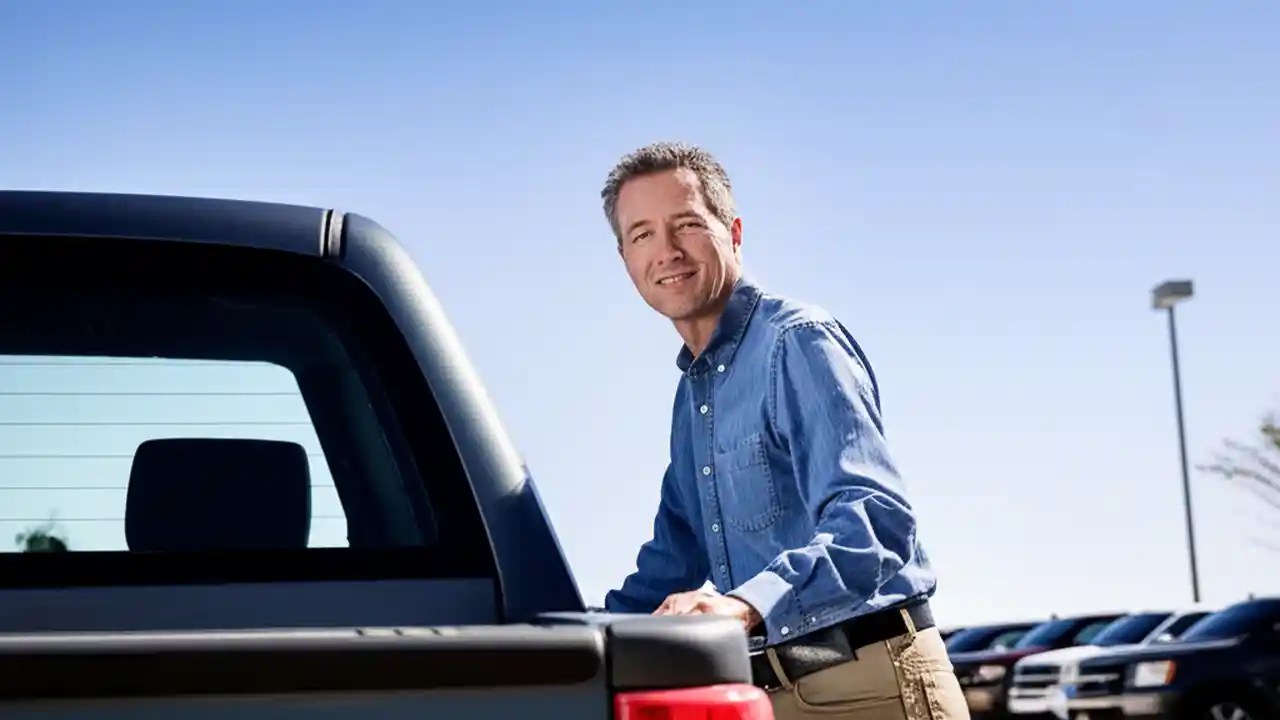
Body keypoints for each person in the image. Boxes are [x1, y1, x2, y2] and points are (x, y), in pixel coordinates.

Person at [599, 141, 969, 720]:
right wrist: (559, 639)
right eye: (642, 234)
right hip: (766, 696)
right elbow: (669, 566)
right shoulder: (693, 397)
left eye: (687, 224)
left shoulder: (796, 342)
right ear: (624, 258)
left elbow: (877, 523)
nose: (666, 251)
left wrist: (746, 604)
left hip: (871, 686)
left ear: (734, 231)